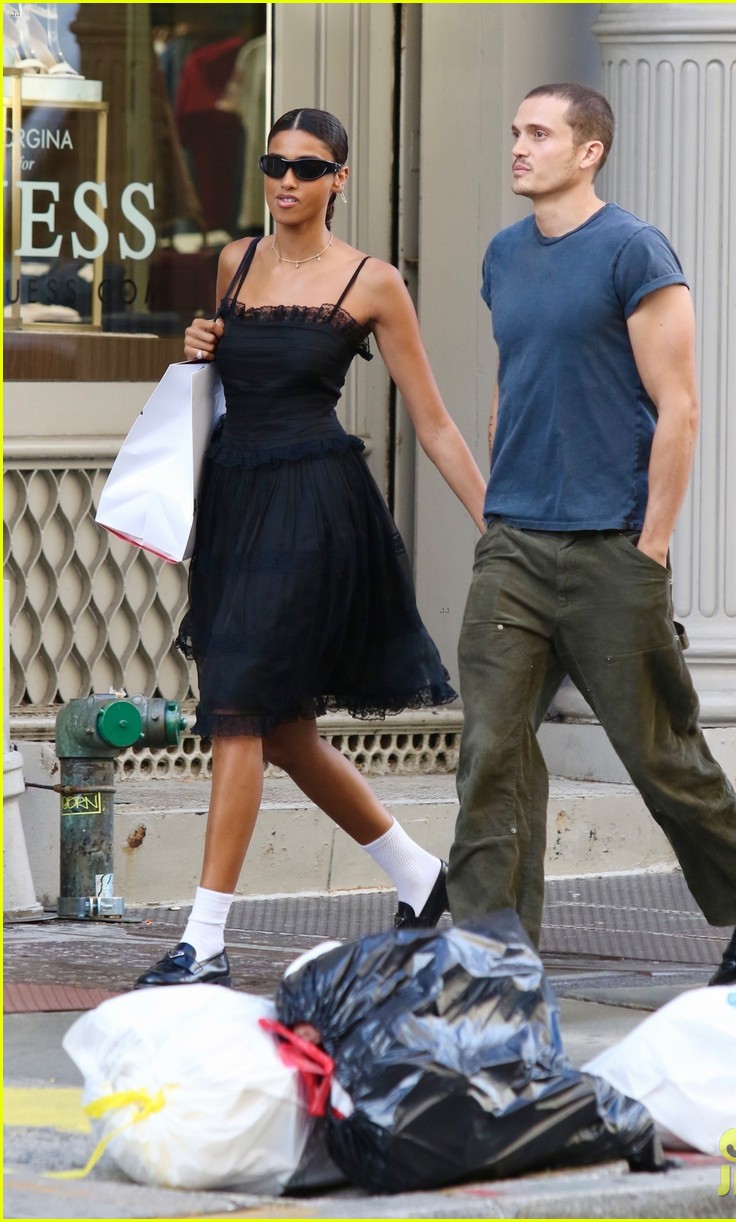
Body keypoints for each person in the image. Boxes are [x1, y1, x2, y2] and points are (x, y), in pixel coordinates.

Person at [446, 83, 736, 990]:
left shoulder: (635, 252)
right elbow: (510, 385)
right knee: (491, 746)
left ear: (589, 150)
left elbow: (679, 408)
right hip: (516, 545)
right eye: (516, 130)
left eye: (540, 132)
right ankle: (493, 952)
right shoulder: (502, 256)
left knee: (659, 755)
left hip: (612, 547)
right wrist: (497, 508)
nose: (520, 146)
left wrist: (652, 545)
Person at [136, 107, 486, 989]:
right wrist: (199, 347)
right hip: (235, 500)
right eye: (274, 165)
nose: (286, 182)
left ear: (339, 178)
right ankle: (419, 875)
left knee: (240, 713)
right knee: (284, 732)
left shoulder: (372, 282)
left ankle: (204, 942)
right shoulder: (234, 262)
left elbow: (434, 421)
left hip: (315, 510)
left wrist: (499, 525)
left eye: (306, 167)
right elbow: (220, 379)